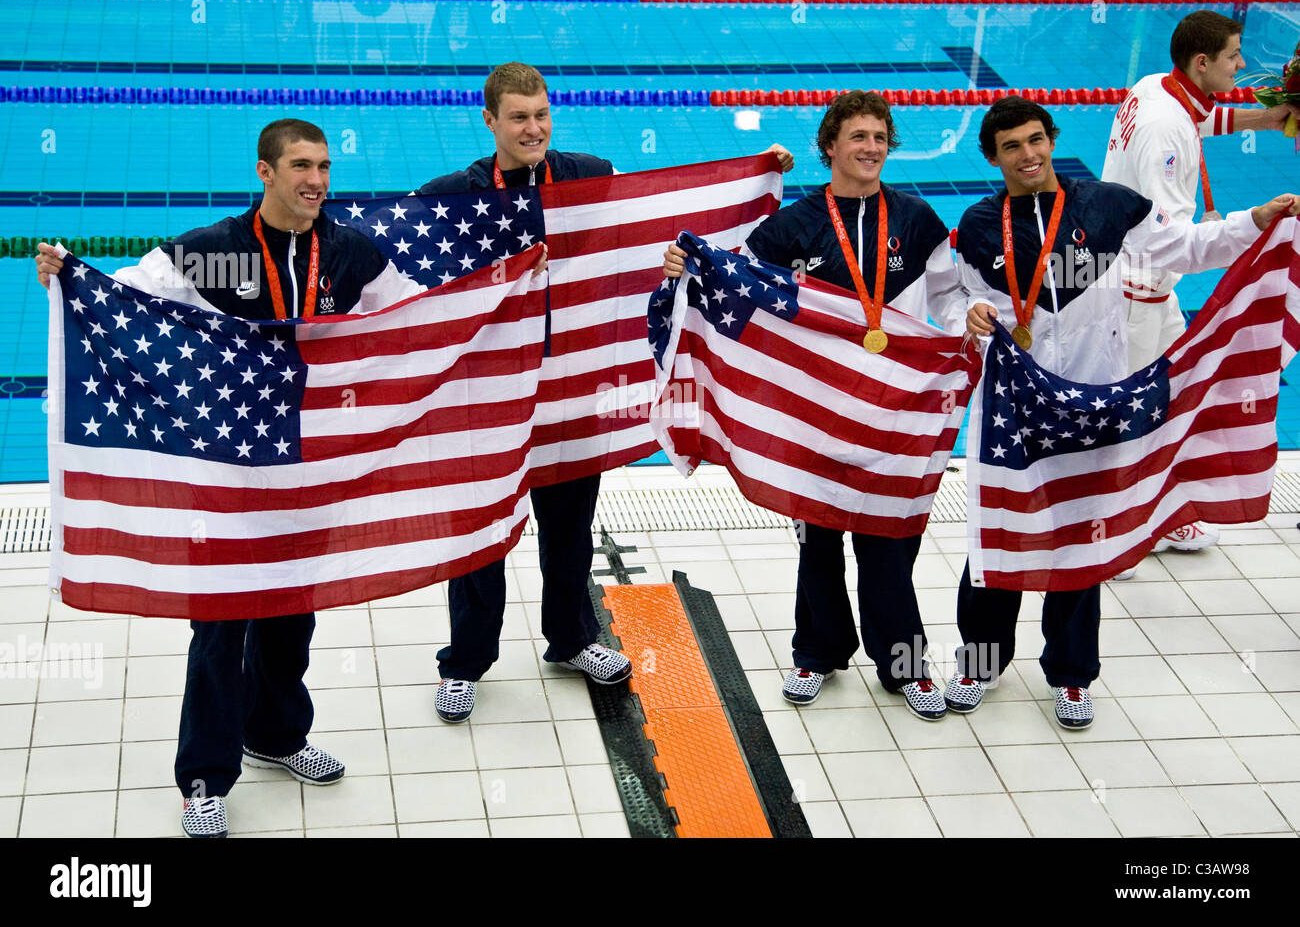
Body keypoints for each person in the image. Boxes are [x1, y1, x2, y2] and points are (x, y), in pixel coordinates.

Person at [36, 118, 427, 837]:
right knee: (220, 624)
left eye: (325, 167)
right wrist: (72, 283)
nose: (317, 181)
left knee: (292, 613)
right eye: (302, 166)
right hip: (228, 474)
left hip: (307, 471)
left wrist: (501, 293)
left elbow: (412, 317)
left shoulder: (344, 252)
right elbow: (130, 298)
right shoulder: (216, 253)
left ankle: (277, 736)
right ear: (265, 172)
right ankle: (205, 779)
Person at [419, 61, 793, 724]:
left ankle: (573, 639)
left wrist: (757, 169)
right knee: (480, 535)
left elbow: (659, 221)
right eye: (518, 118)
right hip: (496, 398)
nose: (533, 129)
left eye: (541, 115)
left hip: (573, 389)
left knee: (570, 531)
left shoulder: (592, 174)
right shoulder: (453, 195)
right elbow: (422, 290)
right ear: (489, 121)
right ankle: (466, 661)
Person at [936, 96, 1297, 729]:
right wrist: (961, 316)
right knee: (996, 531)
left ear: (1051, 139)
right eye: (1012, 147)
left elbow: (1184, 248)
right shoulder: (977, 225)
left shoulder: (1106, 205)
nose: (1028, 155)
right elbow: (951, 298)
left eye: (1035, 140)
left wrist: (1255, 219)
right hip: (1013, 408)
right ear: (993, 158)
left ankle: (1071, 677)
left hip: (1094, 398)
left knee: (1081, 535)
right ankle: (980, 663)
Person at [664, 90, 959, 721]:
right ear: (830, 146)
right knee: (819, 535)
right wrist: (686, 265)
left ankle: (903, 663)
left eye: (880, 137)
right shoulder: (794, 226)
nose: (871, 148)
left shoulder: (917, 218)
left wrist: (971, 328)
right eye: (858, 136)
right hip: (818, 407)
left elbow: (948, 296)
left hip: (895, 408)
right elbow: (736, 282)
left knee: (889, 539)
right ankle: (817, 651)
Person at [1102, 9, 1295, 558]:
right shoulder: (1167, 129)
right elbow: (1173, 244)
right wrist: (1251, 223)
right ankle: (1114, 535)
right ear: (1203, 62)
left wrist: (1269, 117)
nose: (1243, 65)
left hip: (1135, 283)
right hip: (1135, 292)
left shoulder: (1157, 89)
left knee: (1165, 402)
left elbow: (1199, 121)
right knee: (1132, 413)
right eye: (1235, 56)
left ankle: (1155, 517)